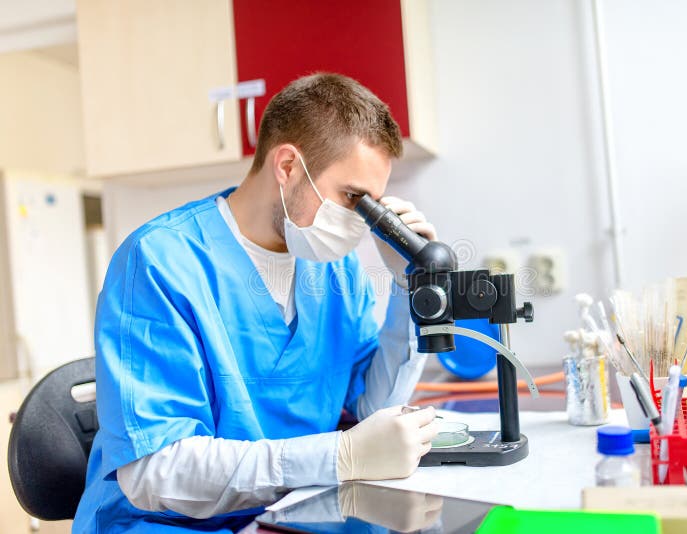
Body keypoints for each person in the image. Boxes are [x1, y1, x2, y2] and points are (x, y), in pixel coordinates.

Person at [72, 73, 440, 533]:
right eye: (352, 198)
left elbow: (371, 409)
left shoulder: (335, 270)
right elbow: (152, 472)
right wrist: (337, 456)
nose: (360, 221)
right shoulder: (160, 261)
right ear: (287, 166)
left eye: (372, 205)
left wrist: (411, 288)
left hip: (291, 512)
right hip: (168, 522)